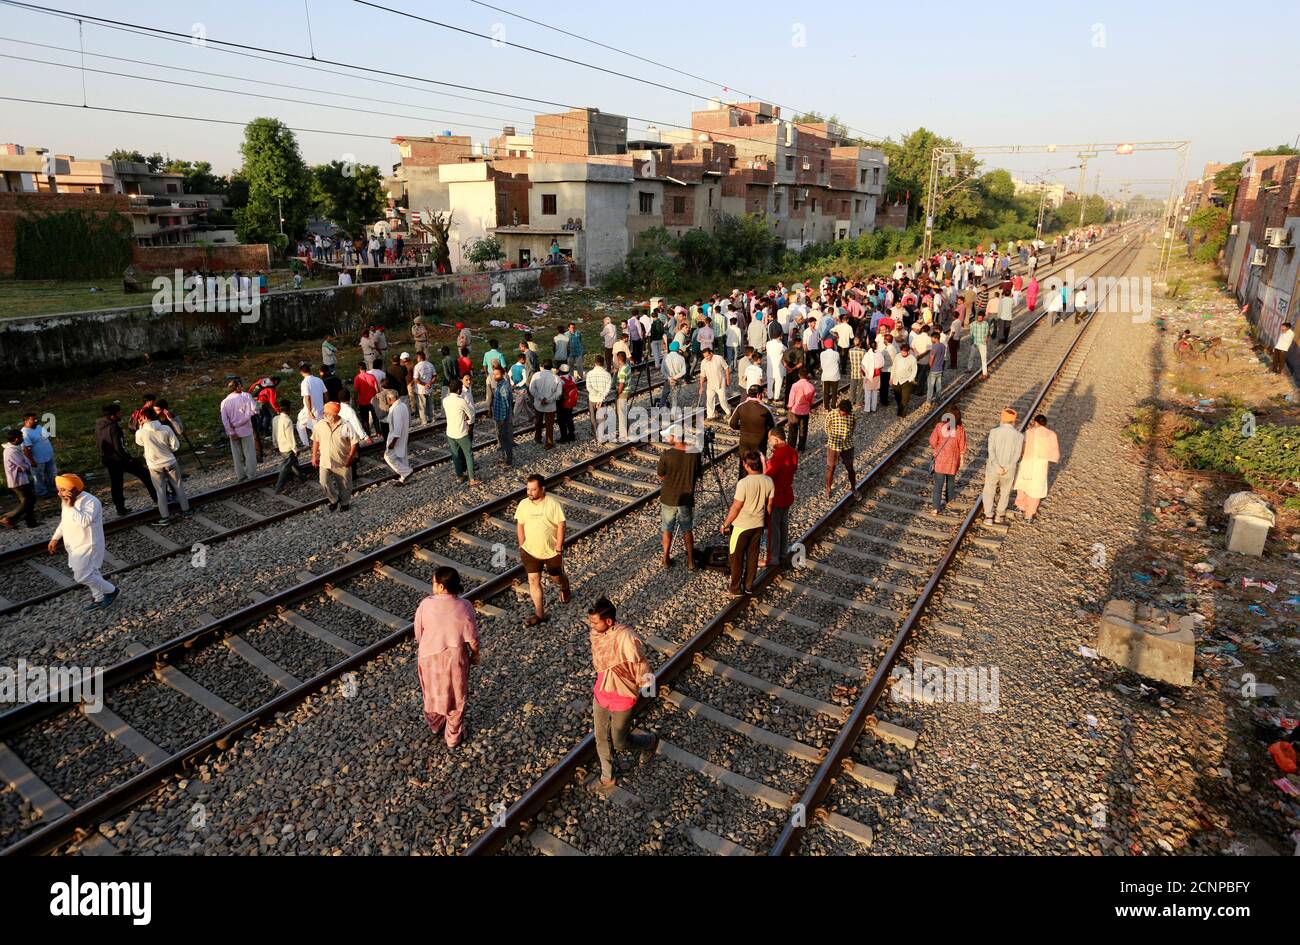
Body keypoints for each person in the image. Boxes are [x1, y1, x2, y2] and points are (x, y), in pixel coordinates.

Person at [588, 595, 657, 795]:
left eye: (595, 622)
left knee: (619, 741)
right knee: (600, 737)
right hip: (601, 692)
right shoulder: (598, 635)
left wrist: (648, 687)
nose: (591, 626)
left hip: (623, 696)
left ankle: (650, 742)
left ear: (608, 621)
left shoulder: (626, 637)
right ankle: (607, 777)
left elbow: (641, 662)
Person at [413, 565, 480, 750]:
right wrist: (475, 654)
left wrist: (427, 643)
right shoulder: (465, 606)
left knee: (432, 692)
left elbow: (418, 632)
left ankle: (435, 723)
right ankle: (452, 737)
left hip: (429, 657)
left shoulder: (426, 604)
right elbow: (472, 637)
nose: (432, 585)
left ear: (442, 587)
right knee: (456, 697)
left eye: (434, 582)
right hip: (454, 659)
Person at [47, 474, 116, 610]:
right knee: (91, 572)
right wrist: (55, 537)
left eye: (62, 489)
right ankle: (99, 598)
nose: (58, 492)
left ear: (72, 489)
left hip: (87, 545)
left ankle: (112, 591)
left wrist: (71, 506)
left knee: (82, 576)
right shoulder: (66, 500)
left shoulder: (91, 501)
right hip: (74, 545)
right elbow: (64, 521)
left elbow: (84, 522)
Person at [516, 473, 570, 627]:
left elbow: (561, 524)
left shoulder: (552, 504)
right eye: (528, 489)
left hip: (551, 551)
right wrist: (522, 544)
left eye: (533, 490)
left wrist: (559, 546)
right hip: (530, 551)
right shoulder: (523, 504)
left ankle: (565, 586)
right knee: (533, 580)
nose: (529, 493)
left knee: (556, 578)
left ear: (542, 489)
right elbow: (520, 524)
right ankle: (540, 613)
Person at [721, 450, 773, 596]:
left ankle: (735, 589)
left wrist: (725, 524)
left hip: (741, 526)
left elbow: (736, 507)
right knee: (752, 556)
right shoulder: (769, 481)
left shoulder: (743, 483)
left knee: (736, 557)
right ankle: (749, 586)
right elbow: (769, 506)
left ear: (746, 465)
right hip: (758, 525)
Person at [96, 403, 157, 515]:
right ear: (113, 416)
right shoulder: (114, 428)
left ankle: (120, 508)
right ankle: (157, 498)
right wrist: (130, 459)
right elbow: (119, 447)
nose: (121, 414)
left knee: (116, 484)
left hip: (109, 459)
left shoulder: (100, 425)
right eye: (119, 413)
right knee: (144, 474)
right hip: (120, 459)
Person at [134, 406, 190, 524]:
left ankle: (165, 517)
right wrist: (168, 450)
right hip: (170, 461)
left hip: (154, 466)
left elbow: (139, 442)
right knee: (178, 486)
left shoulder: (141, 432)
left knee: (160, 491)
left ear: (144, 417)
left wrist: (140, 426)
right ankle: (186, 511)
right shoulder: (165, 428)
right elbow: (175, 446)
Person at [656, 425, 700, 569]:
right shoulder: (695, 452)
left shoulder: (666, 455)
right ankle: (691, 561)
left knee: (667, 528)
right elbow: (698, 473)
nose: (667, 438)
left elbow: (661, 475)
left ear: (675, 437)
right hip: (686, 498)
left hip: (668, 497)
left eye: (669, 436)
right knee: (687, 529)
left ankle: (666, 558)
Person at [311, 401, 357, 512]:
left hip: (341, 460)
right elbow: (316, 440)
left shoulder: (346, 425)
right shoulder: (320, 424)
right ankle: (334, 499)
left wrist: (350, 457)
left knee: (345, 483)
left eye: (327, 413)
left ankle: (345, 503)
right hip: (325, 460)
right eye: (325, 413)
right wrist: (314, 456)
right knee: (323, 482)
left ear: (335, 414)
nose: (325, 415)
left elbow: (354, 442)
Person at [1013, 414, 1060, 522]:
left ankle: (1021, 505)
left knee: (1023, 485)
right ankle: (1029, 515)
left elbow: (1023, 447)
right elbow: (1054, 450)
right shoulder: (1051, 434)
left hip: (1027, 462)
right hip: (1041, 464)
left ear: (1036, 422)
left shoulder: (1029, 432)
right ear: (1045, 423)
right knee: (1036, 488)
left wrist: (1021, 455)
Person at [982, 408, 1024, 526]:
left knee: (989, 491)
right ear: (1014, 421)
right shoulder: (1019, 436)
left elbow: (991, 451)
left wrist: (997, 466)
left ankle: (989, 516)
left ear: (1002, 418)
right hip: (1009, 470)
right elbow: (1017, 455)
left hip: (993, 468)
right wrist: (1006, 467)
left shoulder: (994, 432)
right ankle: (999, 516)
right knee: (1005, 492)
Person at [764, 425, 797, 566]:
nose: (769, 443)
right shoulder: (793, 452)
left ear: (776, 440)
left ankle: (773, 558)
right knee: (783, 525)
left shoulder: (778, 456)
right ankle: (783, 552)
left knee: (773, 529)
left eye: (770, 440)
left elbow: (768, 476)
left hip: (776, 497)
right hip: (787, 494)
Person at [729, 386, 775, 478]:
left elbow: (732, 424)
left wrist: (741, 428)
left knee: (743, 466)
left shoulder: (741, 406)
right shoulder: (765, 409)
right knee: (759, 467)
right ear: (759, 395)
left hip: (744, 442)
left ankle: (742, 486)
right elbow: (773, 427)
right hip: (760, 444)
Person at [928, 407, 967, 515]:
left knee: (938, 484)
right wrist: (962, 459)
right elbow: (962, 445)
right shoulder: (960, 429)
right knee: (950, 482)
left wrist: (937, 446)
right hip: (953, 460)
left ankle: (935, 508)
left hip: (940, 459)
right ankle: (949, 501)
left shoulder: (939, 426)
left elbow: (932, 442)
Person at [220, 380, 259, 482]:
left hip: (233, 431)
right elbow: (254, 409)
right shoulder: (245, 396)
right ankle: (251, 474)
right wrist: (244, 419)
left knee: (237, 456)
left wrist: (231, 432)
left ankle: (241, 476)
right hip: (246, 429)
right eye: (240, 386)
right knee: (249, 453)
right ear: (237, 387)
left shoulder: (224, 402)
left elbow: (224, 419)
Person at [443, 380, 479, 486]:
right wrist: (469, 424)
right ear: (459, 390)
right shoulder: (461, 401)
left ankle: (460, 476)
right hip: (461, 432)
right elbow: (470, 415)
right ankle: (472, 479)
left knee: (456, 455)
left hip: (450, 431)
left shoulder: (445, 400)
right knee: (468, 454)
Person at [2, 428, 36, 529]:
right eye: (21, 436)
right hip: (18, 481)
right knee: (28, 501)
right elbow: (23, 465)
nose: (22, 438)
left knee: (30, 500)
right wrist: (27, 465)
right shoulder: (11, 451)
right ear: (16, 439)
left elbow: (24, 465)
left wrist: (26, 465)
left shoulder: (15, 448)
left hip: (21, 479)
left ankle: (31, 522)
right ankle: (9, 519)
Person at [271, 398, 306, 494]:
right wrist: (295, 449)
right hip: (288, 448)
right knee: (285, 467)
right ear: (288, 409)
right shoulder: (288, 421)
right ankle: (279, 488)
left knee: (293, 463)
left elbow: (274, 433)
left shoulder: (275, 419)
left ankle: (302, 477)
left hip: (281, 446)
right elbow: (290, 437)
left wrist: (275, 444)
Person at [20, 413, 57, 499]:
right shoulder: (25, 433)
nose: (36, 421)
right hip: (38, 460)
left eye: (36, 419)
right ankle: (41, 493)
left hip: (49, 456)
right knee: (38, 477)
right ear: (26, 421)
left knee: (52, 474)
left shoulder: (39, 427)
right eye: (33, 420)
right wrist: (32, 461)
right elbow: (26, 449)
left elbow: (47, 437)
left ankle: (53, 488)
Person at [825, 399, 857, 497]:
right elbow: (827, 428)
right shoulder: (831, 415)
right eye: (842, 413)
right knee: (831, 468)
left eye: (845, 414)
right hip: (833, 445)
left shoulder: (852, 417)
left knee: (850, 468)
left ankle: (853, 488)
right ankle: (828, 489)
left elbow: (852, 430)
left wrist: (846, 438)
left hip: (847, 445)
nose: (843, 415)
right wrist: (833, 438)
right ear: (839, 409)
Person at [381, 388, 413, 484]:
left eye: (387, 398)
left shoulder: (396, 409)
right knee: (402, 457)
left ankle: (406, 472)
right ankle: (404, 479)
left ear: (391, 399)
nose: (386, 400)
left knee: (388, 457)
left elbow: (397, 427)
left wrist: (393, 442)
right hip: (403, 435)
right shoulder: (402, 405)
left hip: (396, 438)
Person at [529, 359, 560, 449]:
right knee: (549, 424)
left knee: (538, 422)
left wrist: (540, 398)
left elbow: (532, 389)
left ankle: (537, 438)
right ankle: (548, 443)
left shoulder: (536, 375)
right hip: (550, 406)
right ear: (552, 367)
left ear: (542, 366)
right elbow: (558, 393)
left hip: (538, 404)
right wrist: (548, 400)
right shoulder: (556, 377)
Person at [489, 365, 514, 466]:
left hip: (502, 418)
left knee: (505, 439)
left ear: (502, 374)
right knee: (502, 438)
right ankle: (505, 457)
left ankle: (508, 461)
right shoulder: (500, 384)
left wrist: (503, 419)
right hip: (499, 417)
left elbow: (505, 405)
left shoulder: (503, 387)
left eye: (497, 374)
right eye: (494, 374)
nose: (495, 376)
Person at [786, 367, 815, 452]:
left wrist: (790, 407)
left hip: (795, 410)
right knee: (803, 429)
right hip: (805, 411)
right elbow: (811, 401)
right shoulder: (811, 387)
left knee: (792, 430)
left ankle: (791, 447)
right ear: (807, 375)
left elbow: (791, 399)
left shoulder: (795, 385)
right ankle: (801, 448)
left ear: (799, 375)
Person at [585, 355, 613, 444]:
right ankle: (601, 437)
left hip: (592, 399)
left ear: (595, 363)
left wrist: (595, 395)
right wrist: (601, 398)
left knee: (593, 418)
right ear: (603, 363)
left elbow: (588, 387)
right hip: (602, 400)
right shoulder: (607, 375)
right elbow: (608, 389)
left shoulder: (589, 374)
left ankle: (595, 435)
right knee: (601, 419)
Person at [697, 347, 731, 421]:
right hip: (710, 384)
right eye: (705, 356)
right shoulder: (703, 362)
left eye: (707, 356)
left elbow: (726, 368)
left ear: (711, 353)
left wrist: (728, 379)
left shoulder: (719, 358)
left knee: (722, 400)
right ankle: (710, 415)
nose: (706, 358)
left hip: (720, 383)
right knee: (709, 400)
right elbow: (702, 375)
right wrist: (701, 387)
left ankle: (728, 412)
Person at [890, 343, 918, 418]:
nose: (903, 353)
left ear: (908, 351)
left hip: (906, 381)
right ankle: (900, 408)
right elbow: (893, 367)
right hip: (896, 380)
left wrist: (910, 379)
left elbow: (914, 370)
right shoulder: (897, 356)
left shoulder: (912, 359)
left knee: (905, 398)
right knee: (897, 396)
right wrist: (891, 378)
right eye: (902, 351)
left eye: (904, 352)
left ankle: (903, 413)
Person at [659, 341, 687, 410]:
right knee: (674, 398)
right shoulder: (681, 358)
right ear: (678, 348)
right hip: (677, 381)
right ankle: (673, 414)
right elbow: (683, 371)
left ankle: (660, 411)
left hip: (668, 380)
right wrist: (675, 377)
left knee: (664, 395)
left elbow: (662, 370)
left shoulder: (665, 357)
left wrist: (669, 378)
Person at [556, 364, 578, 443]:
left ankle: (564, 437)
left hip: (562, 402)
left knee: (561, 420)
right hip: (570, 402)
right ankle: (572, 435)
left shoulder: (559, 379)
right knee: (569, 418)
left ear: (560, 371)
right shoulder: (572, 378)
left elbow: (558, 393)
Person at [925, 332, 947, 405]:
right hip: (940, 368)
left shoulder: (934, 347)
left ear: (935, 338)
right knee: (938, 385)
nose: (931, 339)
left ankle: (928, 401)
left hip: (933, 369)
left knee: (930, 387)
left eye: (932, 338)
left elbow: (931, 358)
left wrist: (929, 367)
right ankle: (938, 399)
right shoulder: (943, 346)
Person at [967, 311, 991, 379]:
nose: (979, 318)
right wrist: (972, 342)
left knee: (984, 359)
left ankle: (985, 373)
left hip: (982, 343)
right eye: (979, 317)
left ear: (983, 318)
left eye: (981, 317)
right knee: (971, 356)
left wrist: (986, 338)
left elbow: (987, 333)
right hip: (974, 343)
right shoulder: (972, 324)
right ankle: (969, 368)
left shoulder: (986, 324)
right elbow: (971, 334)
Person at [819, 338, 841, 408]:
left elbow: (821, 364)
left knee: (826, 392)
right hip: (834, 376)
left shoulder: (822, 354)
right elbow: (838, 362)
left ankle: (826, 406)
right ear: (832, 345)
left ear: (825, 345)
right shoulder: (836, 353)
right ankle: (833, 405)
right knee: (834, 392)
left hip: (825, 375)